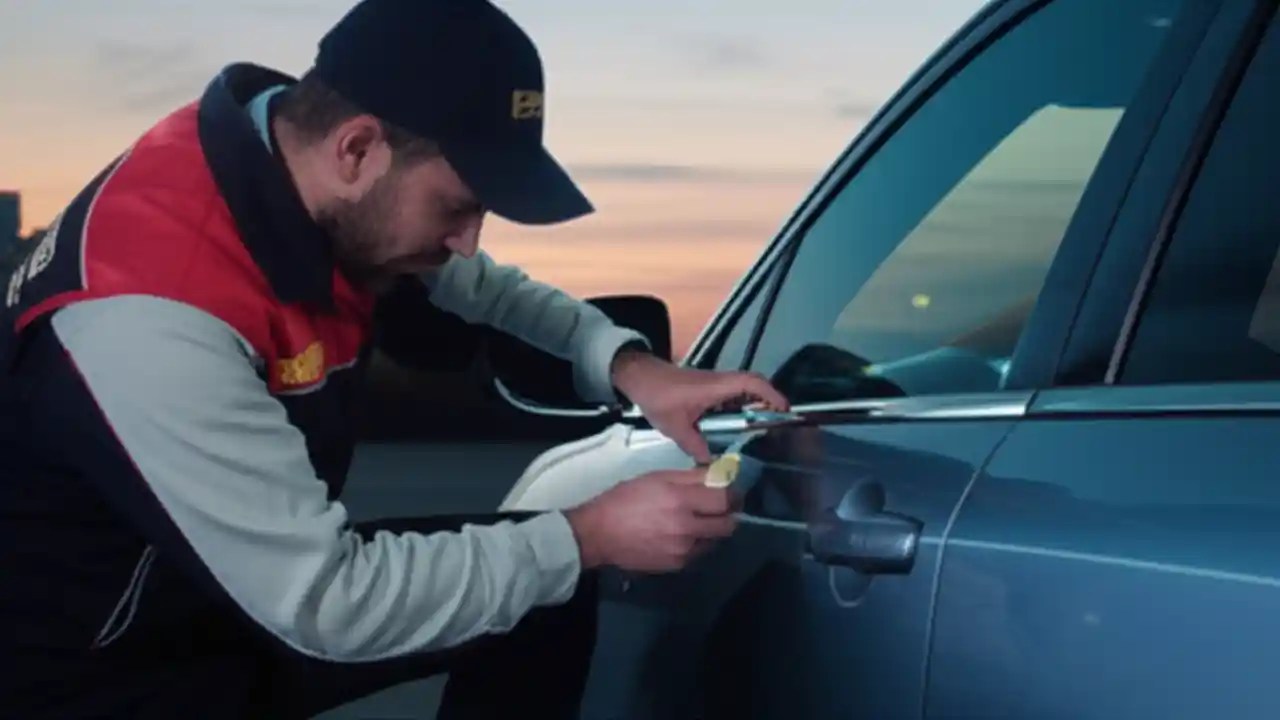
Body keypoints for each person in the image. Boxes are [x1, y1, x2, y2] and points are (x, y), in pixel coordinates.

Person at [0, 0, 790, 717]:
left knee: (542, 592)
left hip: (222, 596)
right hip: (101, 671)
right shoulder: (149, 312)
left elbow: (486, 292)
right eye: (458, 206)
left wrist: (633, 369)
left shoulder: (285, 167)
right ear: (356, 149)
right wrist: (586, 534)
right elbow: (326, 604)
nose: (468, 240)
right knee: (551, 562)